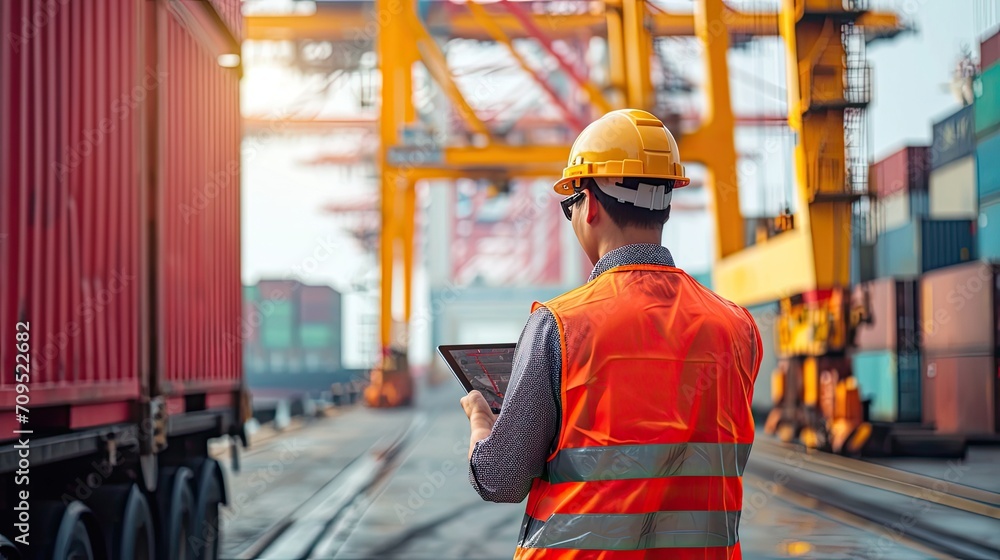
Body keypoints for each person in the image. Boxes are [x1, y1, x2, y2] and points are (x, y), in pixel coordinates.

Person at [460, 109, 762, 559]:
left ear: (590, 203)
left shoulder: (559, 325)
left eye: (570, 205)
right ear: (666, 202)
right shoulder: (737, 327)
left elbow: (502, 478)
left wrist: (482, 423)